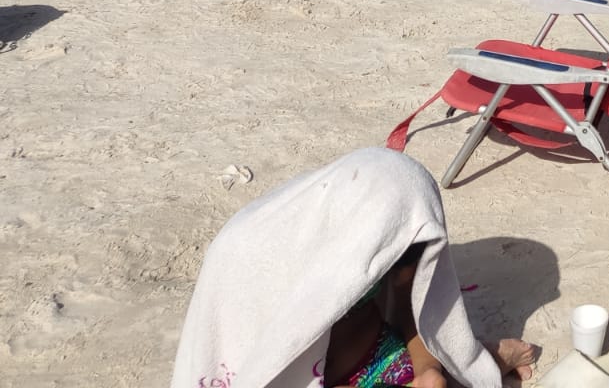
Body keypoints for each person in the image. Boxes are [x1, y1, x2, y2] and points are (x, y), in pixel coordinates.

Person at [170, 147, 536, 388]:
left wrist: (429, 370)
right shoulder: (251, 255)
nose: (402, 274)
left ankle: (479, 359)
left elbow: (416, 302)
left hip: (372, 355)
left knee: (446, 375)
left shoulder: (385, 235)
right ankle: (492, 357)